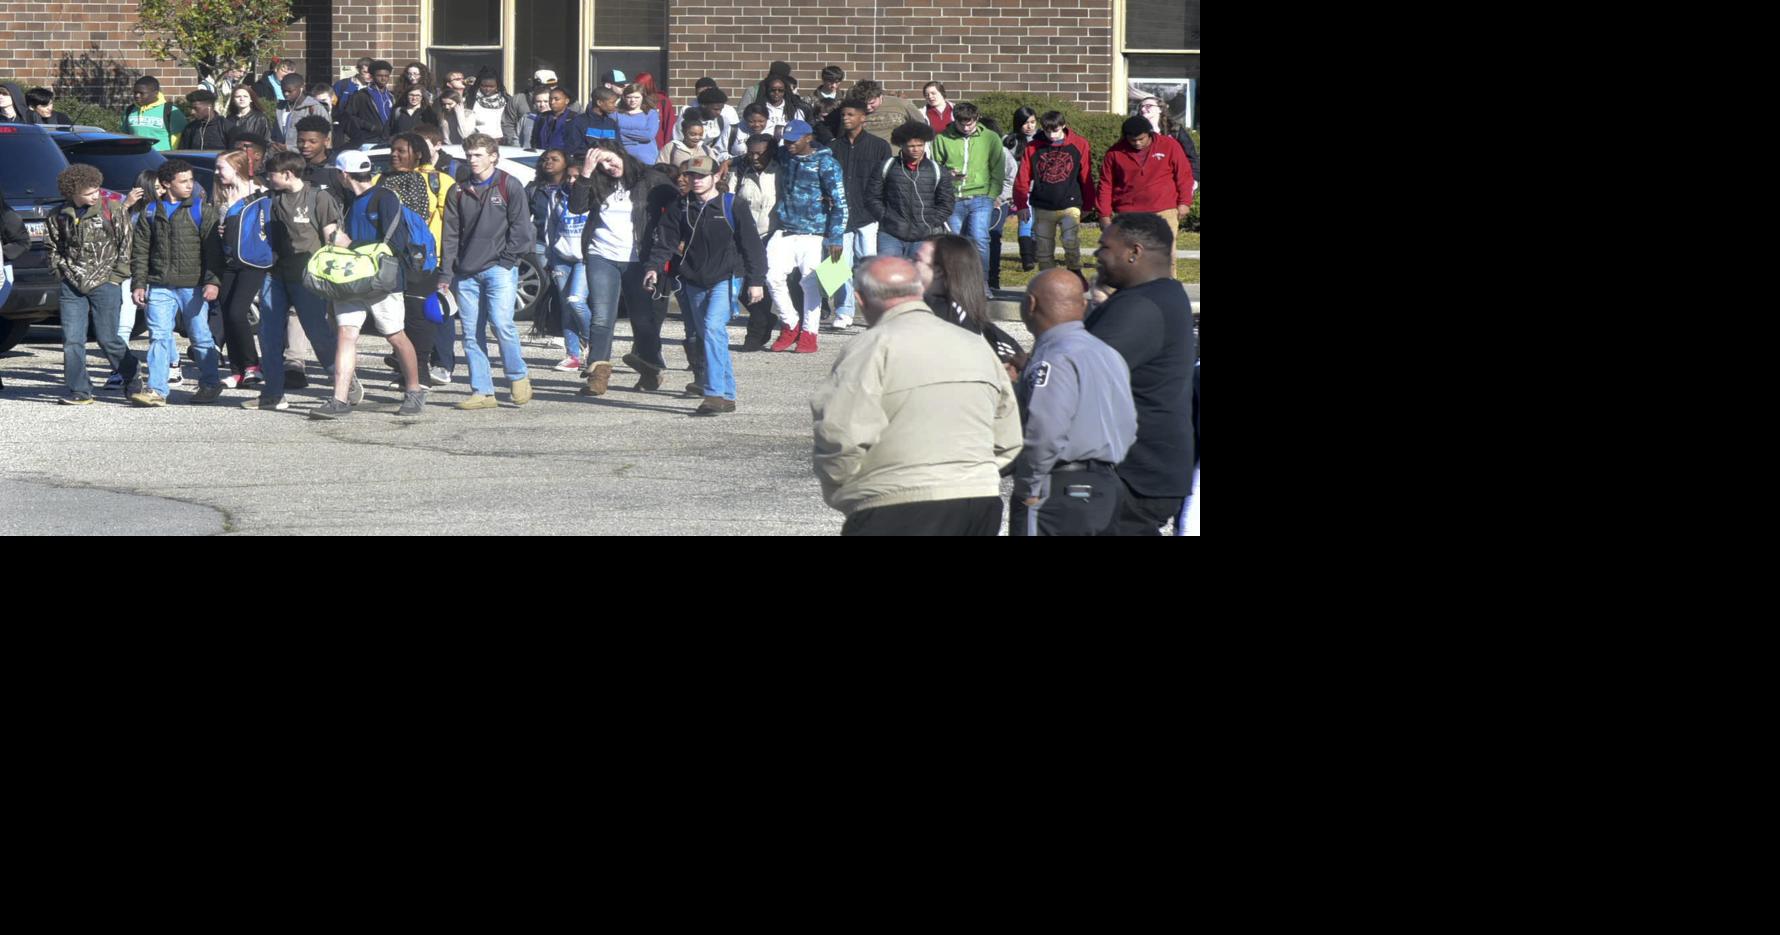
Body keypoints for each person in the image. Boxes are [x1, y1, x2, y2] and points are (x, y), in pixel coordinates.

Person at [810, 257, 1021, 535]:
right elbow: (1008, 434)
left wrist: (847, 489)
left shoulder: (871, 346)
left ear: (860, 299)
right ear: (919, 291)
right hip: (979, 502)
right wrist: (974, 474)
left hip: (898, 502)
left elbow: (840, 432)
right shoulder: (975, 344)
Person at [1084, 213, 1196, 534]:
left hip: (1136, 476)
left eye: (1105, 247)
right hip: (1148, 470)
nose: (1097, 255)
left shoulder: (1141, 307)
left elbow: (1079, 372)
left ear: (1134, 252)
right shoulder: (1162, 294)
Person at [1007, 268, 1137, 536]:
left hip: (1059, 489)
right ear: (1084, 305)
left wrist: (1028, 486)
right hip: (1106, 486)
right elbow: (1128, 425)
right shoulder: (1107, 353)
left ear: (1031, 304)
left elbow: (1046, 431)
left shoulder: (1054, 358)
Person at [642, 156, 765, 415]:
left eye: (701, 175)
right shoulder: (681, 207)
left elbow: (752, 246)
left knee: (712, 329)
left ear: (716, 177)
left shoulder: (733, 205)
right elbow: (665, 241)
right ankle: (728, 395)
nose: (695, 180)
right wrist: (653, 267)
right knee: (710, 336)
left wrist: (756, 281)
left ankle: (713, 393)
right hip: (693, 279)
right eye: (691, 176)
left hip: (727, 276)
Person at [310, 150, 427, 419]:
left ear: (343, 175)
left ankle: (414, 390)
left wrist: (350, 244)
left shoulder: (384, 198)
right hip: (352, 280)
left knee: (395, 336)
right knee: (346, 335)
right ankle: (339, 399)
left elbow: (395, 244)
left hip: (382, 281)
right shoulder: (351, 200)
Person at [439, 132, 534, 411]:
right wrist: (446, 274)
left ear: (493, 156)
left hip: (499, 269)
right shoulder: (457, 190)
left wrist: (507, 261)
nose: (473, 160)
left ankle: (518, 377)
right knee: (470, 333)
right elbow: (450, 235)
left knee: (502, 325)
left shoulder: (509, 185)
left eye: (479, 154)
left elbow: (521, 230)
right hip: (466, 272)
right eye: (469, 155)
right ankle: (482, 391)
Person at [249, 150, 347, 412]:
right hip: (274, 275)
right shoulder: (270, 199)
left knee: (319, 334)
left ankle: (343, 383)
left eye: (272, 175)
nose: (268, 180)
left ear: (287, 174)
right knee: (269, 336)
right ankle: (272, 393)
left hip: (308, 278)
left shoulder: (318, 197)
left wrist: (355, 256)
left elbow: (332, 235)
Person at [128, 159, 223, 407]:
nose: (190, 185)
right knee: (158, 336)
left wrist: (212, 282)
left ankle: (211, 383)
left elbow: (214, 251)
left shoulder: (201, 210)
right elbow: (140, 251)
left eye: (191, 180)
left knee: (200, 336)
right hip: (159, 285)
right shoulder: (150, 211)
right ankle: (157, 390)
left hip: (193, 286)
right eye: (184, 181)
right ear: (167, 184)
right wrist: (138, 284)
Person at [47, 165, 138, 404]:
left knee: (107, 338)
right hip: (72, 284)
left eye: (97, 189)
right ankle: (80, 389)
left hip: (106, 282)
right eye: (89, 192)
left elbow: (126, 245)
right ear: (73, 192)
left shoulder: (113, 209)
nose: (95, 195)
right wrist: (60, 271)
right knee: (72, 339)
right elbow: (53, 247)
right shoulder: (58, 214)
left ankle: (132, 376)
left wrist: (116, 277)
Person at [378, 131, 454, 389]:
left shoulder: (419, 181)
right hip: (388, 258)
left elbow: (411, 216)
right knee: (397, 316)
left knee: (419, 316)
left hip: (418, 259)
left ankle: (421, 370)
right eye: (393, 150)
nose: (394, 155)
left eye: (401, 151)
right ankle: (405, 368)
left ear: (417, 154)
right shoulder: (383, 179)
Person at [764, 120, 845, 354]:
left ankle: (810, 333)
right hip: (785, 228)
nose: (788, 145)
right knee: (771, 277)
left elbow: (840, 203)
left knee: (810, 284)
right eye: (786, 141)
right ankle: (790, 323)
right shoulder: (784, 155)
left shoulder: (827, 163)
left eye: (794, 141)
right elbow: (757, 155)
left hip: (814, 233)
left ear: (808, 138)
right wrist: (728, 162)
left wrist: (836, 237)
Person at [825, 97, 890, 332]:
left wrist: (880, 209)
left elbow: (885, 180)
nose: (846, 118)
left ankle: (875, 311)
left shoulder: (879, 146)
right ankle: (843, 311)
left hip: (867, 216)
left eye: (851, 114)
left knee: (869, 265)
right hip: (840, 217)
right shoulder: (832, 148)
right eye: (843, 114)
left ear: (863, 117)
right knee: (839, 265)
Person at [210, 151, 270, 391]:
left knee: (237, 313)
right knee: (226, 314)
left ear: (237, 167)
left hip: (252, 261)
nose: (216, 173)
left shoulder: (260, 193)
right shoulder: (221, 193)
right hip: (228, 260)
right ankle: (236, 370)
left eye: (220, 168)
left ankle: (252, 366)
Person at [916, 234, 1023, 366]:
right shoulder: (996, 337)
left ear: (938, 271)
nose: (909, 265)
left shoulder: (928, 318)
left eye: (917, 259)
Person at [931, 102, 1004, 292]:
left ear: (977, 118)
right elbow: (935, 167)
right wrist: (947, 174)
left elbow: (997, 167)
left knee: (979, 239)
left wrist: (992, 194)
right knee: (955, 243)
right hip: (953, 197)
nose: (965, 127)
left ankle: (982, 283)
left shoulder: (990, 137)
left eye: (969, 123)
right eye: (961, 123)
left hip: (980, 196)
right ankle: (956, 285)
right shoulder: (942, 138)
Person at [1014, 110, 1095, 273]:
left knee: (1070, 241)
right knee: (1043, 249)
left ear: (1063, 126)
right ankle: (1047, 280)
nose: (1051, 135)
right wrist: (1021, 204)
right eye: (1047, 131)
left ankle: (1075, 272)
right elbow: (1022, 177)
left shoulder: (1079, 144)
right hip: (1042, 204)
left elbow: (1086, 176)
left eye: (1055, 130)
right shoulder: (1033, 147)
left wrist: (1088, 204)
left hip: (1070, 202)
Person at [1095, 116, 1194, 246]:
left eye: (1141, 139)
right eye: (1132, 140)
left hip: (1164, 209)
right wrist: (1104, 215)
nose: (1137, 143)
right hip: (1128, 212)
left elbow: (1184, 174)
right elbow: (1106, 185)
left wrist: (1185, 202)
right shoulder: (1114, 153)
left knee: (1164, 255)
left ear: (1149, 133)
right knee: (1132, 256)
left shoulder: (1169, 145)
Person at [731, 133, 785, 351]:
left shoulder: (781, 172)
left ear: (770, 152)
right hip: (744, 235)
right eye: (750, 152)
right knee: (745, 286)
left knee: (764, 284)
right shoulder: (740, 171)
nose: (754, 157)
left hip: (773, 235)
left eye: (759, 153)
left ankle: (755, 335)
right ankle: (764, 319)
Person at [868, 121, 953, 259]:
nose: (916, 149)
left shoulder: (937, 170)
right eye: (911, 146)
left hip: (924, 234)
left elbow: (946, 202)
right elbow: (872, 197)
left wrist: (932, 222)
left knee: (919, 276)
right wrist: (885, 217)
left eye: (920, 145)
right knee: (889, 274)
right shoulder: (886, 166)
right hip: (891, 232)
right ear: (901, 145)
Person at [999, 106, 1040, 272]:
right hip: (1022, 189)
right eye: (1025, 123)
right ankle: (1027, 257)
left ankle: (1035, 253)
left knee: (1037, 222)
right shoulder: (1011, 141)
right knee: (1026, 220)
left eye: (1032, 122)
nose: (1029, 126)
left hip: (1040, 188)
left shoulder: (1042, 139)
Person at [1137, 95, 1199, 191]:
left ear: (1160, 109)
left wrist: (1194, 181)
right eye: (1141, 106)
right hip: (1144, 184)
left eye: (1148, 106)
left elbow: (1191, 156)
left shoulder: (1175, 130)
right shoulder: (1135, 131)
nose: (1143, 109)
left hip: (1171, 184)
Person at [843, 79, 926, 144]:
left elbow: (922, 126)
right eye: (864, 104)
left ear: (880, 96)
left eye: (872, 103)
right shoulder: (853, 109)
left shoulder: (902, 104)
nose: (868, 107)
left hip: (895, 158)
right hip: (866, 157)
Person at [678, 87, 742, 166]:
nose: (718, 113)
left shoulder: (722, 121)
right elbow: (678, 143)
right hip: (686, 161)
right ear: (703, 105)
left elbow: (720, 149)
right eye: (715, 109)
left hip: (709, 163)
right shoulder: (686, 119)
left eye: (721, 109)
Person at [121, 76, 187, 151]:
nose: (137, 96)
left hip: (162, 159)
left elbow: (179, 140)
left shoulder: (171, 111)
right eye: (135, 92)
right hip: (136, 158)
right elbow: (125, 136)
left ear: (155, 93)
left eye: (141, 93)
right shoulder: (129, 110)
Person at [343, 60, 395, 148]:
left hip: (388, 140)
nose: (383, 79)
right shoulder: (361, 95)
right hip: (368, 141)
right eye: (379, 76)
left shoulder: (391, 97)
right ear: (372, 76)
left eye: (386, 76)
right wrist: (370, 127)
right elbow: (348, 117)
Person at [613, 84, 661, 165]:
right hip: (622, 158)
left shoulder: (651, 113)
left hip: (646, 159)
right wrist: (638, 137)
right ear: (624, 97)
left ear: (643, 97)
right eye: (629, 97)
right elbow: (612, 134)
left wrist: (620, 130)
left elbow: (648, 136)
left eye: (636, 97)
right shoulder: (615, 113)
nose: (632, 100)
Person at [532, 86, 584, 155]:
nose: (552, 102)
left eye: (556, 99)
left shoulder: (574, 118)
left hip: (565, 159)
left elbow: (577, 143)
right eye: (550, 99)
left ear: (566, 101)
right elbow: (534, 139)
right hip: (541, 157)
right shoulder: (542, 117)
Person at [284, 83, 335, 150]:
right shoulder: (311, 112)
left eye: (324, 100)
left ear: (332, 98)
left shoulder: (342, 117)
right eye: (317, 101)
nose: (320, 104)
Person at [634, 72, 676, 150]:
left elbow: (669, 125)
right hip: (636, 145)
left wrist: (666, 147)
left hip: (658, 146)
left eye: (641, 85)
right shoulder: (633, 100)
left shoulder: (662, 100)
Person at [469, 73, 509, 140]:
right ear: (479, 86)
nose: (487, 89)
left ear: (497, 87)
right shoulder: (471, 100)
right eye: (484, 86)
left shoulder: (506, 101)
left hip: (500, 139)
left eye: (491, 86)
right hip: (477, 139)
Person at [516, 86, 554, 152]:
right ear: (534, 103)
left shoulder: (558, 119)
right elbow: (516, 138)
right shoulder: (527, 117)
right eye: (538, 101)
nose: (542, 105)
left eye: (546, 101)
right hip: (524, 156)